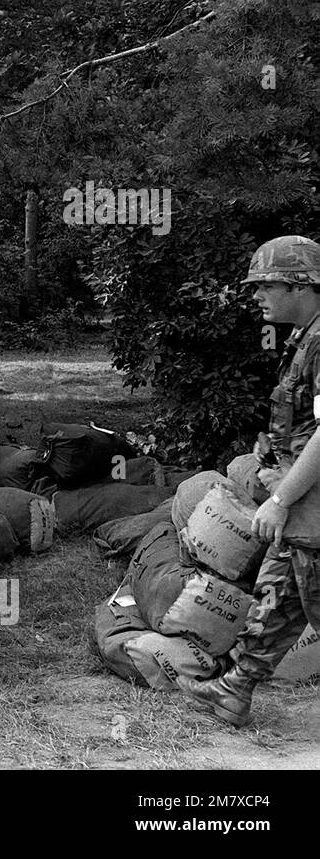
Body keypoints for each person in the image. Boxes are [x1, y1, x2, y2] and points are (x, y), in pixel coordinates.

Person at [178, 236, 320, 725]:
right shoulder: (305, 338)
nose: (256, 295)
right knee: (277, 598)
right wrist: (273, 449)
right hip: (304, 507)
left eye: (265, 285)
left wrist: (279, 498)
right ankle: (232, 691)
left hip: (311, 507)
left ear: (299, 285)